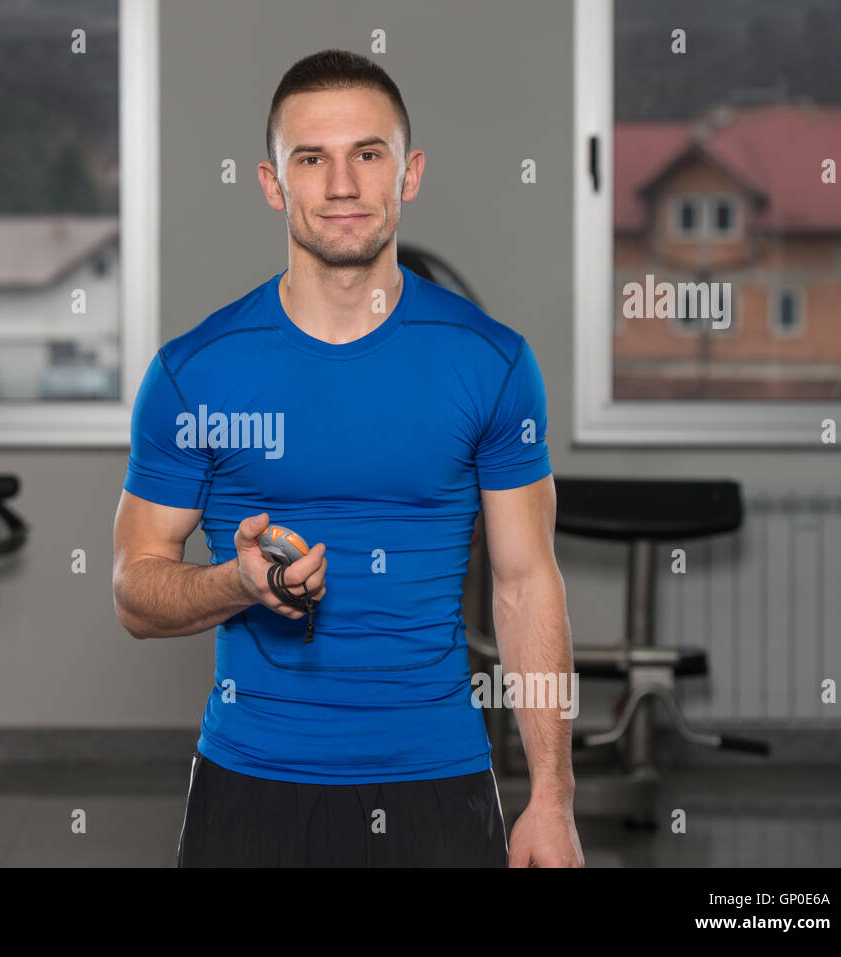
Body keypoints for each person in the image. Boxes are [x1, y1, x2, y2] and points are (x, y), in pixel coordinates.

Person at [112, 48, 583, 868]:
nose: (341, 185)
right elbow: (133, 590)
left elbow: (525, 581)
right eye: (311, 158)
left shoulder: (493, 362)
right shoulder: (195, 371)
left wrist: (552, 797)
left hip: (437, 782)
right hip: (250, 785)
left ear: (410, 174)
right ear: (271, 183)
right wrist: (236, 582)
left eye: (368, 154)